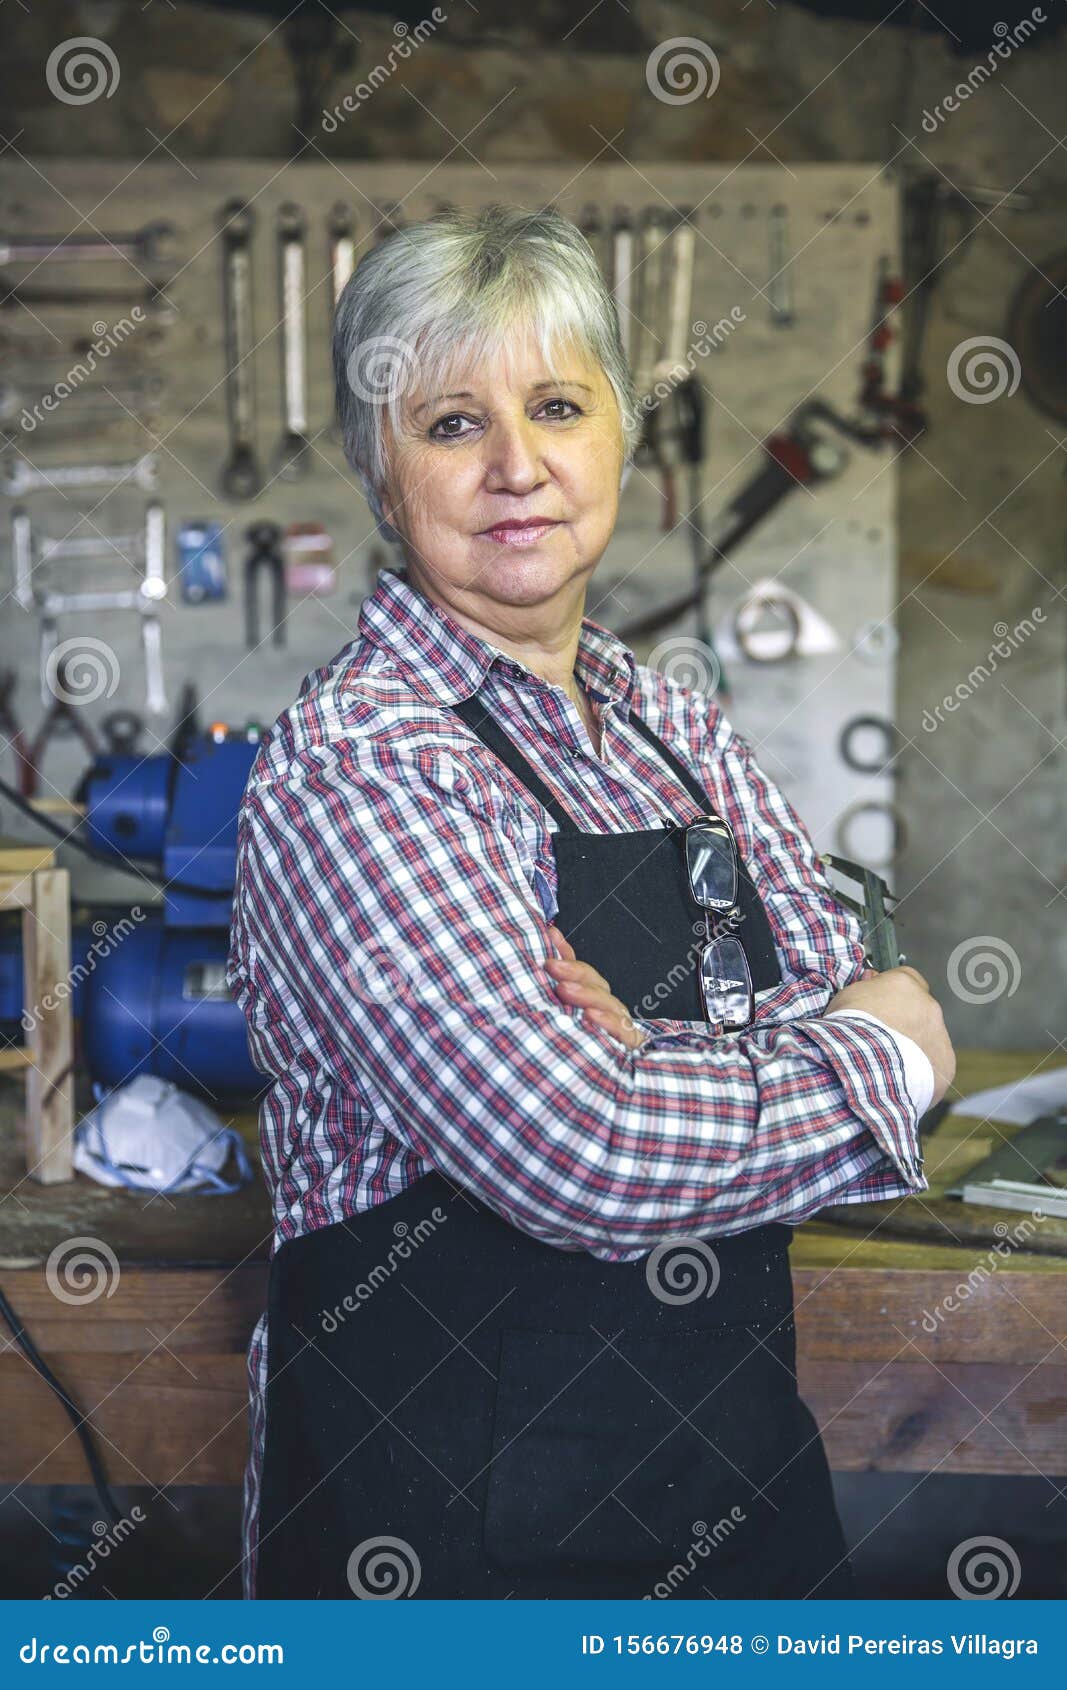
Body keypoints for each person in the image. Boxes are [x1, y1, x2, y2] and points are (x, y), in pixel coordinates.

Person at [226, 203, 956, 1602]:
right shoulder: (363, 762)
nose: (517, 467)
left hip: (732, 1496)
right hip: (441, 1546)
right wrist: (883, 1058)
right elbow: (582, 1149)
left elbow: (842, 958)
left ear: (618, 431)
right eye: (451, 424)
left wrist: (656, 1054)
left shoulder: (668, 720)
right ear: (382, 469)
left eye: (557, 405)